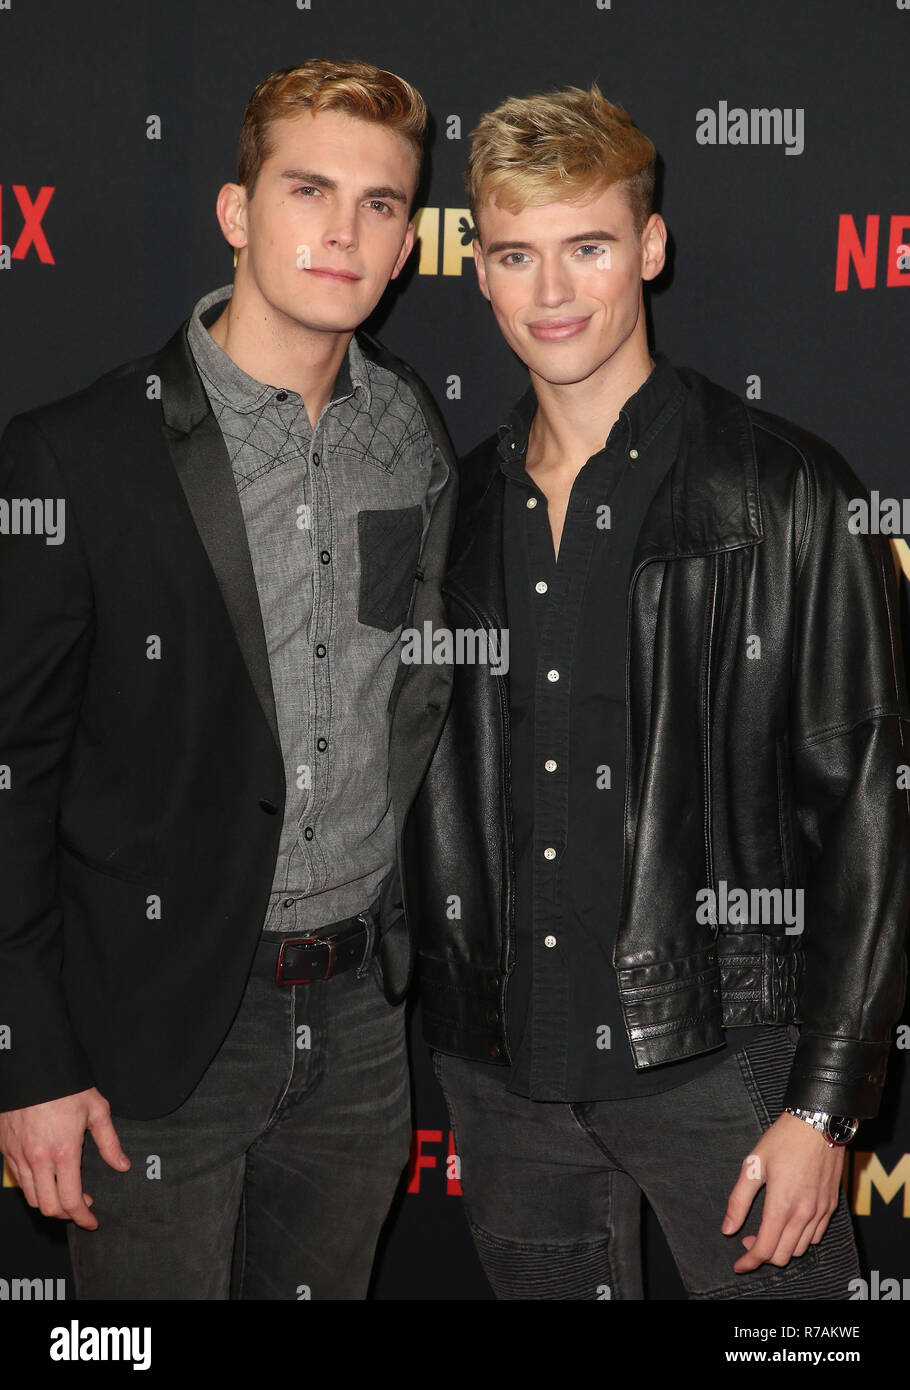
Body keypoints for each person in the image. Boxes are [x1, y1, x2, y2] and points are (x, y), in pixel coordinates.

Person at [408, 82, 910, 1300]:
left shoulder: (783, 491)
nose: (552, 293)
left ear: (649, 246)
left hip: (719, 1063)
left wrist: (825, 1104)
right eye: (517, 255)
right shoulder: (451, 512)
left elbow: (870, 809)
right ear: (478, 268)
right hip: (501, 1071)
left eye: (586, 247)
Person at [0, 57, 457, 1300]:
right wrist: (30, 1060)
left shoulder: (408, 432)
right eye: (308, 188)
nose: (342, 230)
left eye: (379, 203)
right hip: (155, 1028)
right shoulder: (75, 452)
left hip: (363, 1024)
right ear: (236, 212)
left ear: (408, 240)